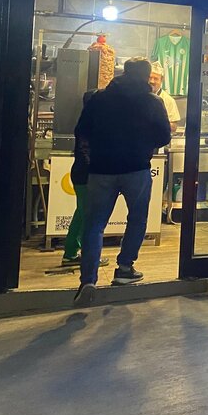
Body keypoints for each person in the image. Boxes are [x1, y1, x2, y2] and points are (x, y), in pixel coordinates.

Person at [73, 57, 172, 306]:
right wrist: (142, 145)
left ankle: (88, 279)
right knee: (137, 219)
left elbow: (81, 130)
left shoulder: (98, 98)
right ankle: (125, 269)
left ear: (123, 72)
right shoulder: (152, 101)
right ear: (146, 76)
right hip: (136, 168)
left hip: (101, 169)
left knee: (94, 224)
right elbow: (163, 136)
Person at [59, 91, 108, 270]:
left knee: (82, 213)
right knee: (87, 215)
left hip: (81, 173)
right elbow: (84, 151)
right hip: (85, 175)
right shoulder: (90, 123)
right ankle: (81, 254)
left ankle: (72, 252)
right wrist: (95, 168)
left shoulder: (87, 121)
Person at [149, 62, 181, 134]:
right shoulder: (139, 96)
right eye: (150, 78)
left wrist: (155, 124)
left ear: (161, 80)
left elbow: (173, 127)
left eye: (156, 78)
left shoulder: (169, 100)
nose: (152, 81)